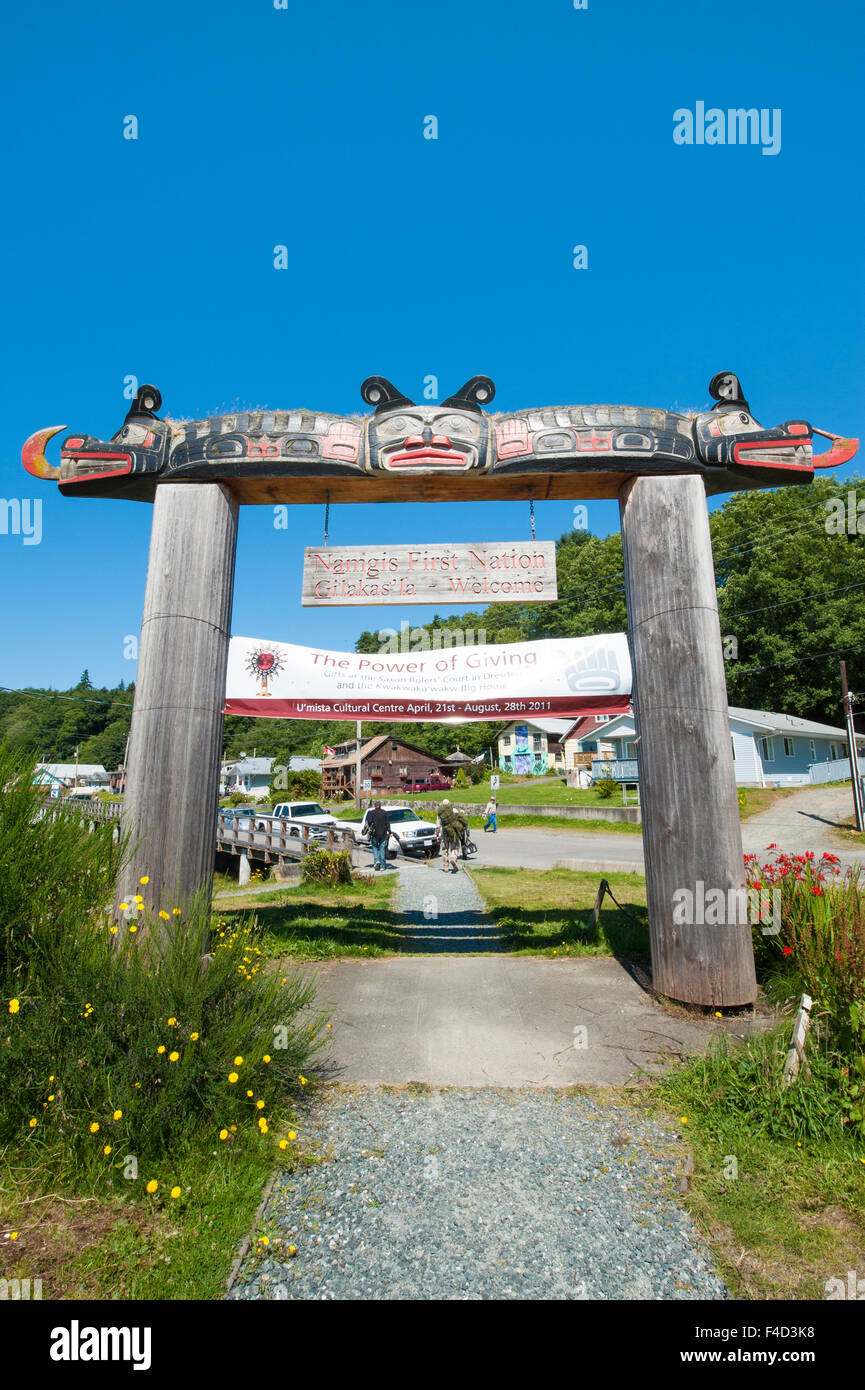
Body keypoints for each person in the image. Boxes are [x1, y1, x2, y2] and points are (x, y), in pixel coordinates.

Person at [436, 798, 466, 873]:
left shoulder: (440, 813)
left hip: (445, 833)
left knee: (445, 849)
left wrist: (437, 835)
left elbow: (438, 827)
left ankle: (446, 866)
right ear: (449, 804)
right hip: (454, 834)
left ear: (442, 805)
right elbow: (460, 819)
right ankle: (453, 858)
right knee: (455, 847)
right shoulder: (454, 810)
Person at [367, 801, 391, 872]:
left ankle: (377, 861)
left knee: (374, 847)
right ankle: (382, 866)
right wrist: (390, 832)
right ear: (380, 806)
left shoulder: (372, 813)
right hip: (383, 834)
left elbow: (369, 822)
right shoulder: (385, 812)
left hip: (375, 834)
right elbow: (387, 823)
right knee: (382, 848)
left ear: (375, 806)